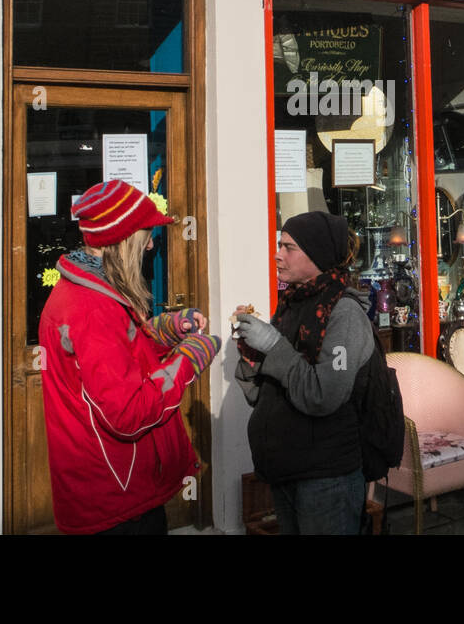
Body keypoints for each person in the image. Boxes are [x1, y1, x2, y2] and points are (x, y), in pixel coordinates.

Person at [39, 179, 222, 534]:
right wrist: (188, 361)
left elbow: (122, 356)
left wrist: (167, 330)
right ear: (123, 240)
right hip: (116, 502)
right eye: (146, 233)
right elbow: (127, 413)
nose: (152, 243)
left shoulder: (91, 291)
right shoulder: (91, 308)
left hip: (112, 493)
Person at [234, 211, 375, 534]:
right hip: (287, 469)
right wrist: (250, 353)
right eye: (278, 245)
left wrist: (271, 344)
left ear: (317, 254)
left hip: (326, 479)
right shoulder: (292, 303)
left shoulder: (344, 313)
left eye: (288, 247)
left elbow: (323, 395)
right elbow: (263, 392)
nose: (277, 254)